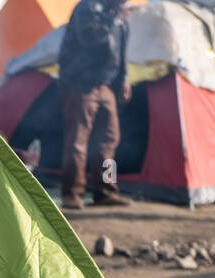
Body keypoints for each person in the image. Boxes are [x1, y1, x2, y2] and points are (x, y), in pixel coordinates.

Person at [57, 0, 132, 210]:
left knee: (109, 139)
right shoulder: (89, 8)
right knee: (78, 140)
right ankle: (72, 193)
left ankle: (106, 191)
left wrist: (124, 79)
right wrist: (113, 18)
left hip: (105, 85)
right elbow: (91, 38)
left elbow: (121, 52)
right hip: (80, 83)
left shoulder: (118, 17)